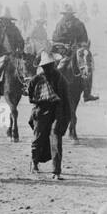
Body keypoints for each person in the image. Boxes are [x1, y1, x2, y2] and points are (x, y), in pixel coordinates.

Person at [27, 51, 73, 179]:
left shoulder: (61, 80)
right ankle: (34, 163)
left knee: (56, 140)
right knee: (38, 138)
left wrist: (65, 117)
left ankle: (56, 171)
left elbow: (66, 100)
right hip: (41, 112)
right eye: (45, 66)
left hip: (56, 113)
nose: (48, 68)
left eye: (50, 65)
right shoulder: (37, 79)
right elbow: (30, 95)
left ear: (54, 64)